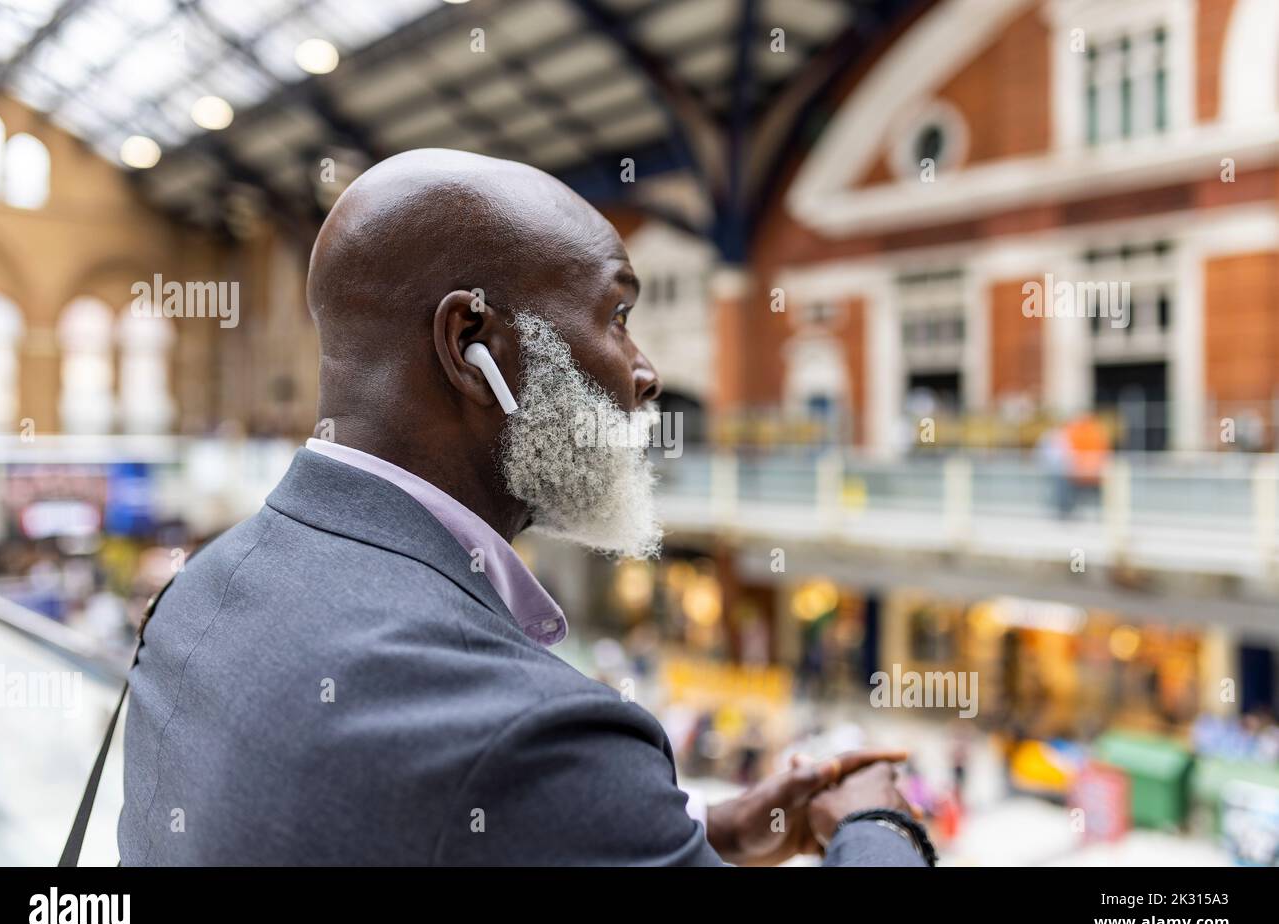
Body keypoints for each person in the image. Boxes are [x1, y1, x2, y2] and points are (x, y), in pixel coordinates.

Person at [117, 149, 929, 866]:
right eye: (616, 315)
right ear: (475, 341)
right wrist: (879, 825)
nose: (646, 373)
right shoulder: (527, 728)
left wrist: (699, 834)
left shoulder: (195, 593)